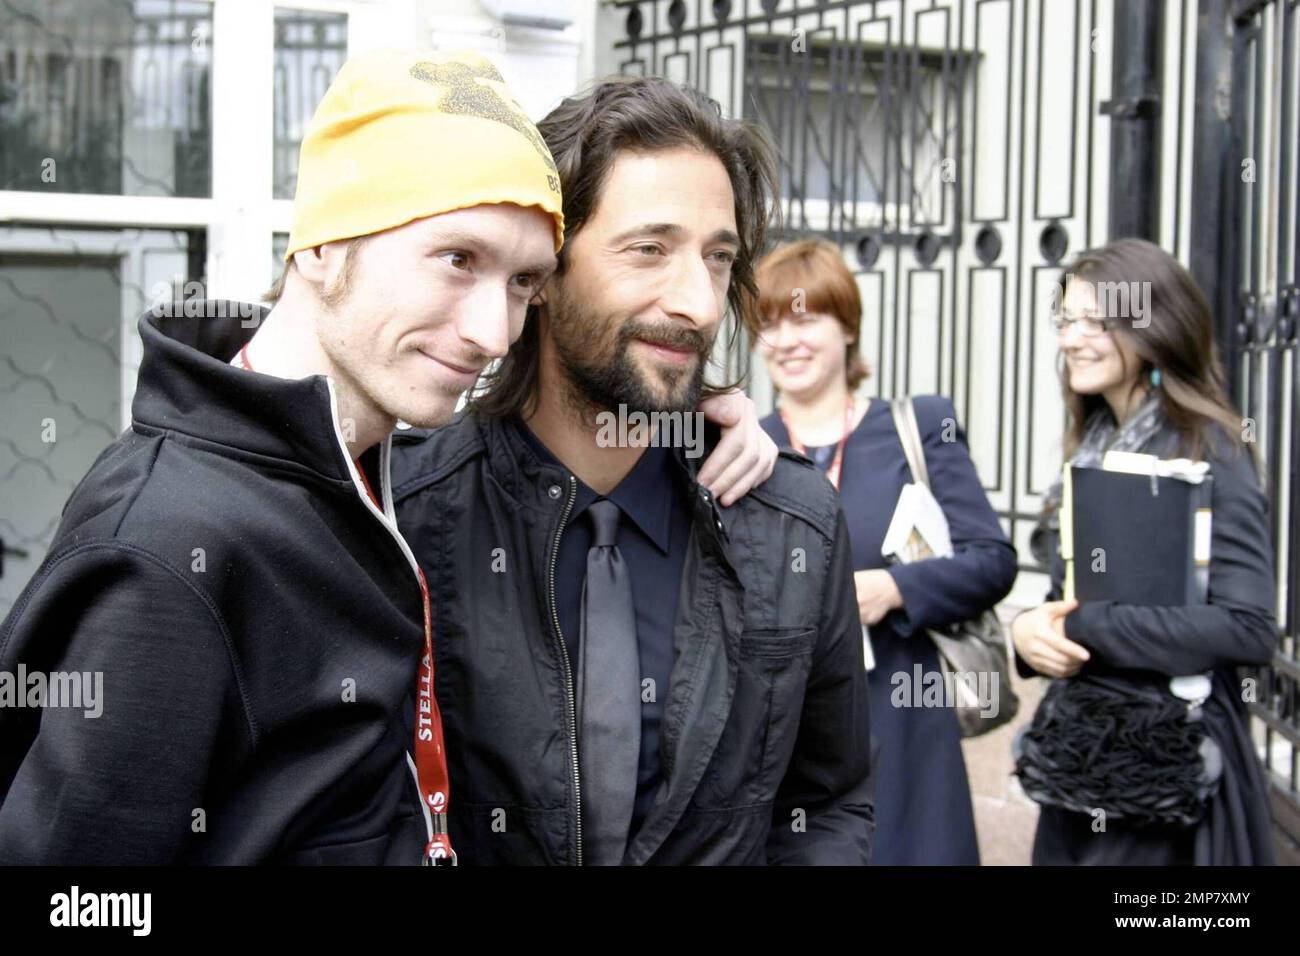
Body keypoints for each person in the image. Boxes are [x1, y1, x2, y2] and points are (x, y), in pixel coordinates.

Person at [0, 50, 769, 865]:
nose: (493, 332)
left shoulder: (366, 469)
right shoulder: (168, 540)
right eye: (457, 260)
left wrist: (687, 417)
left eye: (521, 283)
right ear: (324, 248)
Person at [391, 77, 873, 865]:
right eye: (650, 248)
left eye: (717, 259)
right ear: (542, 269)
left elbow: (830, 801)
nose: (700, 303)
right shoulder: (406, 518)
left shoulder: (794, 522)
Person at [1013, 237, 1277, 865]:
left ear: (1156, 326)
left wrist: (1083, 625)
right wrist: (1028, 636)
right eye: (1066, 320)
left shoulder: (1213, 450)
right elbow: (1067, 600)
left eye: (1096, 321)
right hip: (1081, 760)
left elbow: (1249, 628)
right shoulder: (1092, 445)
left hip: (1168, 778)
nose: (1072, 338)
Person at [755, 239, 1018, 865]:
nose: (785, 340)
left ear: (847, 326)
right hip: (784, 734)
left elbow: (992, 559)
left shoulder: (917, 426)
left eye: (805, 318)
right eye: (768, 324)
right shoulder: (746, 448)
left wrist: (893, 590)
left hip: (903, 720)